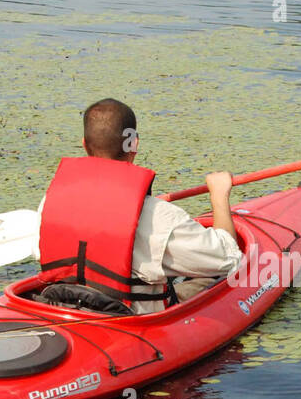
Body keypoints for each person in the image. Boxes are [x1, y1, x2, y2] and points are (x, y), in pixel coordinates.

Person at [35, 98, 242, 314]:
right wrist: (219, 196)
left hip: (67, 309)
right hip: (131, 321)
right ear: (134, 144)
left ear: (85, 144)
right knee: (213, 275)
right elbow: (228, 259)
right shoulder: (159, 217)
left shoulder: (49, 204)